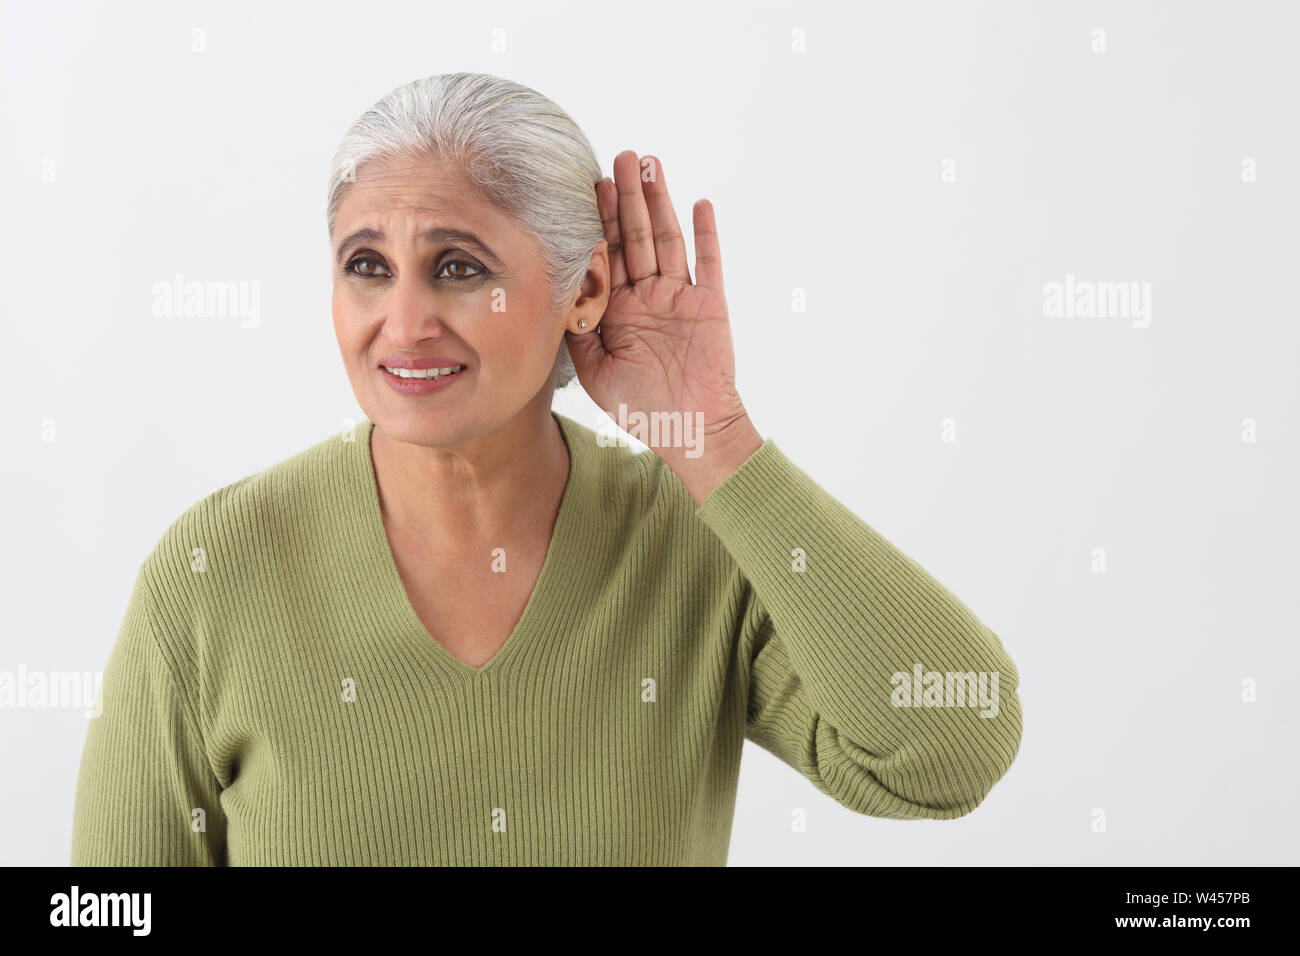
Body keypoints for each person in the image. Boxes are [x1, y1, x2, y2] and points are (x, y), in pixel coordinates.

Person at [71, 72, 1022, 866]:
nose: (402, 324)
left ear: (587, 290)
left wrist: (714, 437)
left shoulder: (691, 544)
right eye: (367, 265)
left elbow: (951, 745)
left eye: (457, 268)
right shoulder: (215, 569)